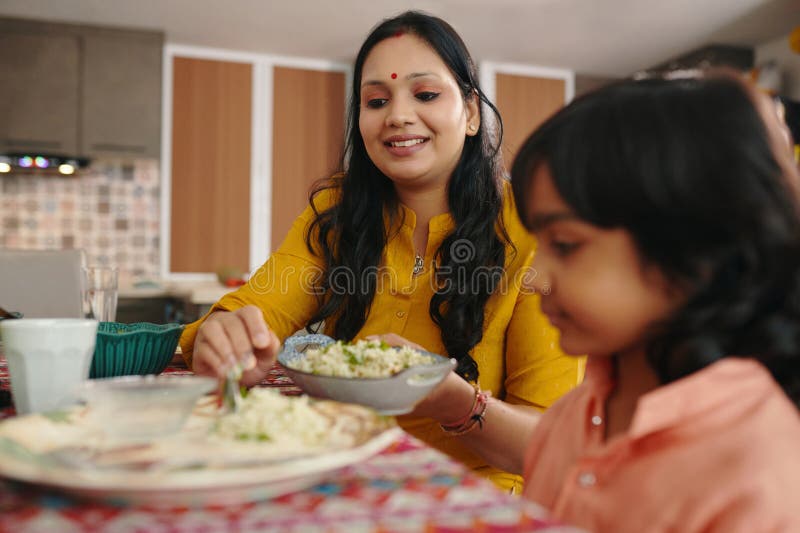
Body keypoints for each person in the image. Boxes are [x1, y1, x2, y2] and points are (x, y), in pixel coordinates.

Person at [179, 11, 583, 492]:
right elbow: (262, 305)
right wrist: (227, 332)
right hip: (337, 478)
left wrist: (454, 401)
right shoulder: (336, 211)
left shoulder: (533, 232)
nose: (397, 116)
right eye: (376, 100)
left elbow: (550, 443)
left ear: (472, 113)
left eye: (425, 94)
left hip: (468, 496)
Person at [417, 71, 800, 531]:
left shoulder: (760, 473)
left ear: (696, 253)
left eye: (565, 245)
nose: (535, 280)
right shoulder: (575, 416)